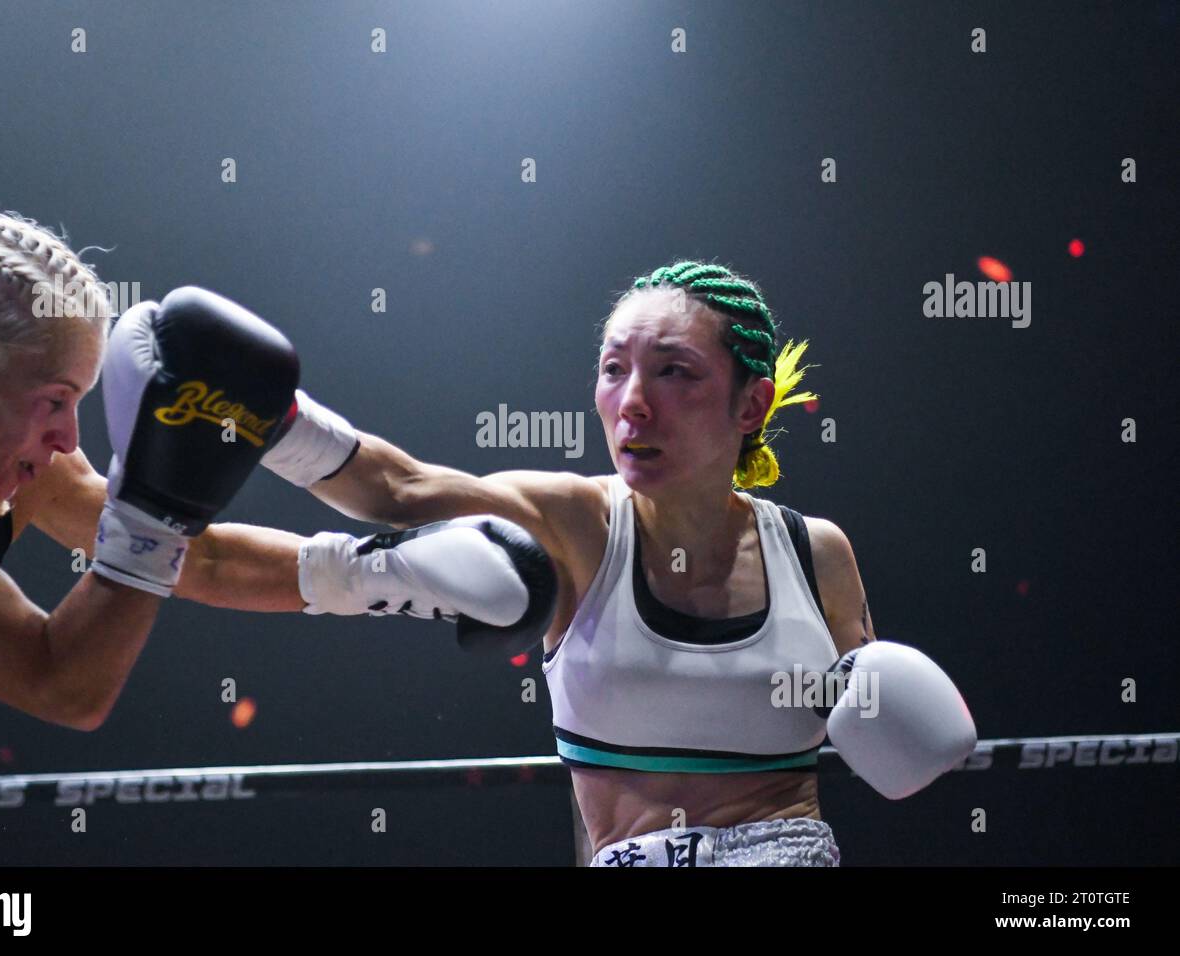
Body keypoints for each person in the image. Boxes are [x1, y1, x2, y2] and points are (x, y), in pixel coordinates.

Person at [0, 210, 554, 866]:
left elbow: (197, 557)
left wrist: (377, 574)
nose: (69, 439)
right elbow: (61, 681)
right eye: (55, 399)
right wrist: (153, 508)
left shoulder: (13, 462)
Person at [257, 259, 976, 866]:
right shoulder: (576, 523)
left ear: (751, 403)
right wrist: (267, 415)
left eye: (674, 372)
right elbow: (399, 490)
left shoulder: (815, 553)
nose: (633, 403)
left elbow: (889, 743)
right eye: (613, 369)